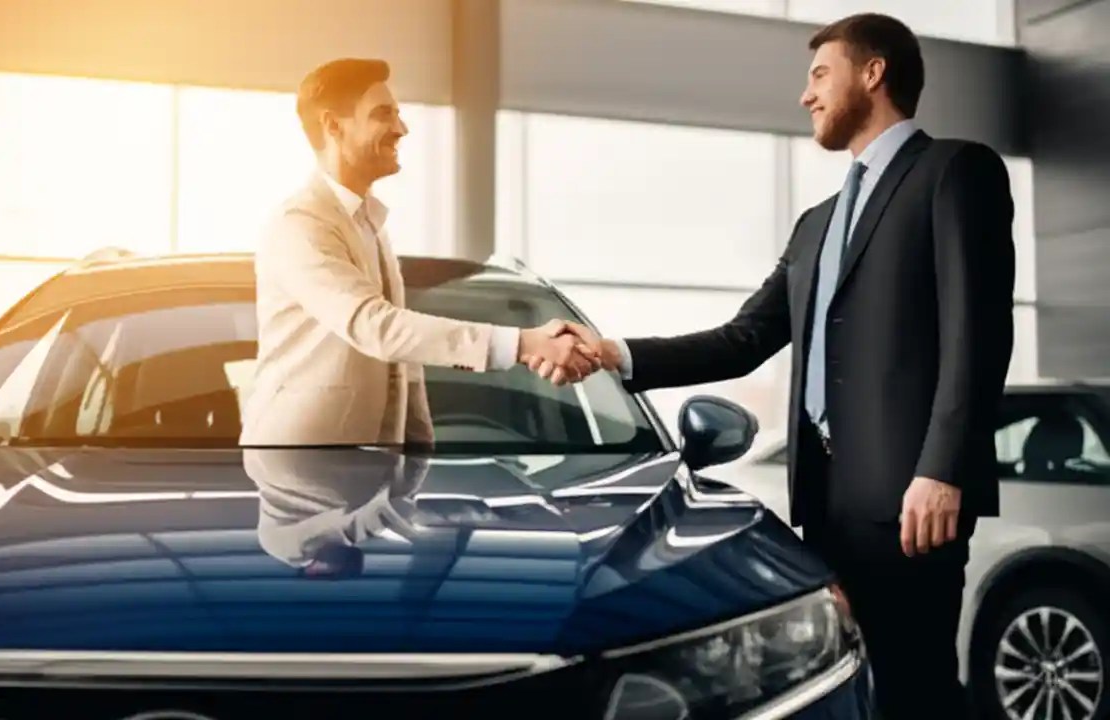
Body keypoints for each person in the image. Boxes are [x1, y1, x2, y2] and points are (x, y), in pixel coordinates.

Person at [528, 14, 1015, 717]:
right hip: (826, 501)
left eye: (820, 75)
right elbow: (743, 338)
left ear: (872, 73)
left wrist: (942, 471)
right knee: (839, 689)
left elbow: (978, 333)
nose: (805, 95)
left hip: (912, 500)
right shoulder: (817, 223)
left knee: (916, 690)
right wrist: (613, 353)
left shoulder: (954, 172)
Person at [239, 58, 597, 449]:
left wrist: (414, 456)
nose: (401, 128)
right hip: (301, 465)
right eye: (383, 114)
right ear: (333, 126)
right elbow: (377, 327)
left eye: (397, 114)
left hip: (376, 468)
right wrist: (523, 344)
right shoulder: (299, 224)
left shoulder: (368, 222)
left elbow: (400, 364)